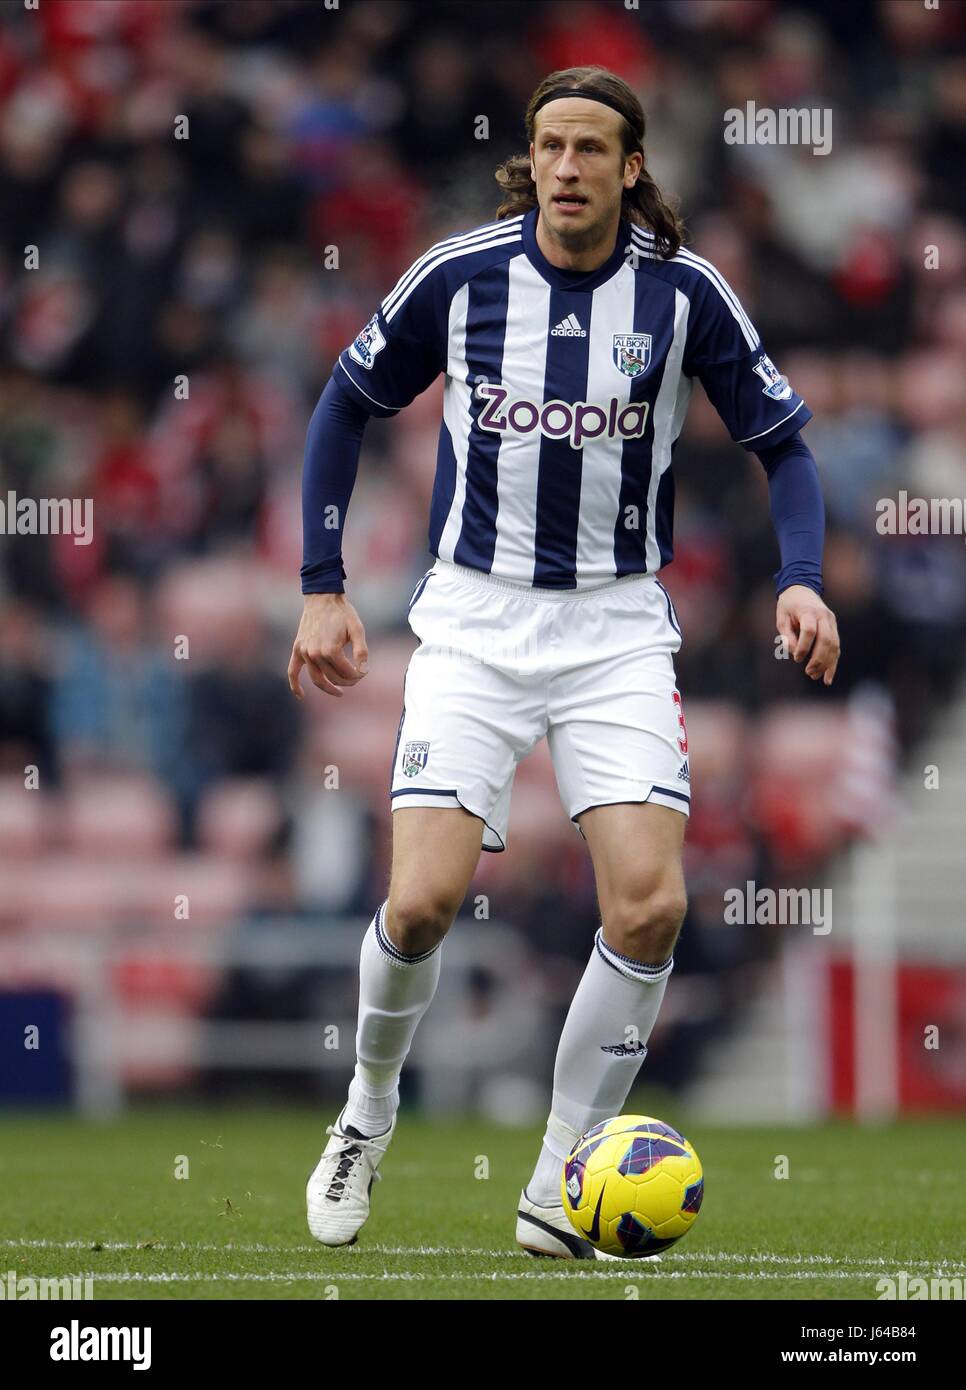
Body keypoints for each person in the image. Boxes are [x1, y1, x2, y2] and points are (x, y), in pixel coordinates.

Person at [289, 65, 839, 1259]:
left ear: (633, 167)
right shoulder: (460, 274)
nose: (573, 167)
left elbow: (785, 445)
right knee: (422, 902)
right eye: (554, 146)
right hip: (475, 626)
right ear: (530, 160)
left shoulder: (684, 294)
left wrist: (801, 574)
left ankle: (558, 1177)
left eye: (596, 148)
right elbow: (343, 405)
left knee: (649, 908)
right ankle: (366, 1114)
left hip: (615, 630)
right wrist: (321, 588)